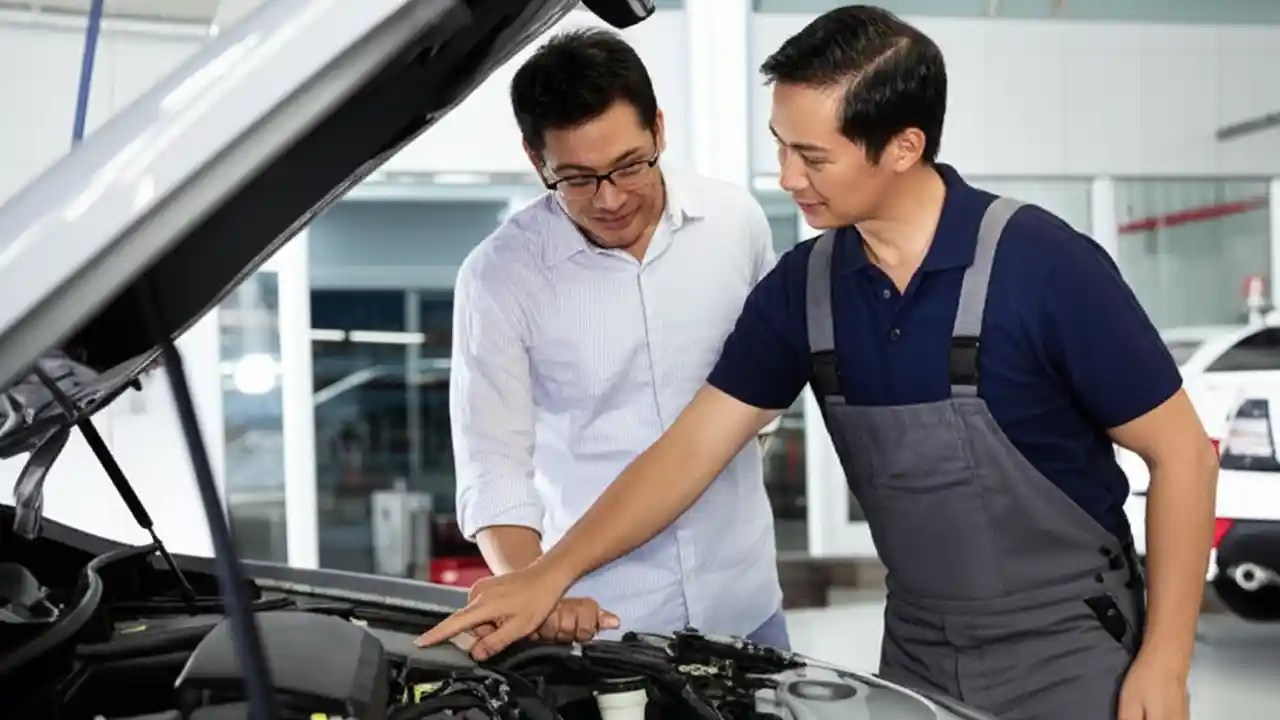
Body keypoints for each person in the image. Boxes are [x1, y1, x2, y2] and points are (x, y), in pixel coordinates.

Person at [418, 7, 1218, 719]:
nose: (785, 177)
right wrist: (545, 573)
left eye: (812, 156)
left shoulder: (1044, 266)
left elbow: (1181, 452)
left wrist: (1167, 659)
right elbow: (691, 451)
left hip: (1071, 647)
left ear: (904, 146)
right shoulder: (807, 288)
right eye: (780, 147)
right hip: (917, 650)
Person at [442, 27, 789, 649]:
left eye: (629, 165)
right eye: (575, 178)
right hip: (601, 627)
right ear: (534, 159)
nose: (610, 199)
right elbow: (493, 468)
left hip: (749, 611)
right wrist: (538, 587)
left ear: (659, 129)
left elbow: (760, 403)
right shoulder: (499, 276)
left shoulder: (737, 224)